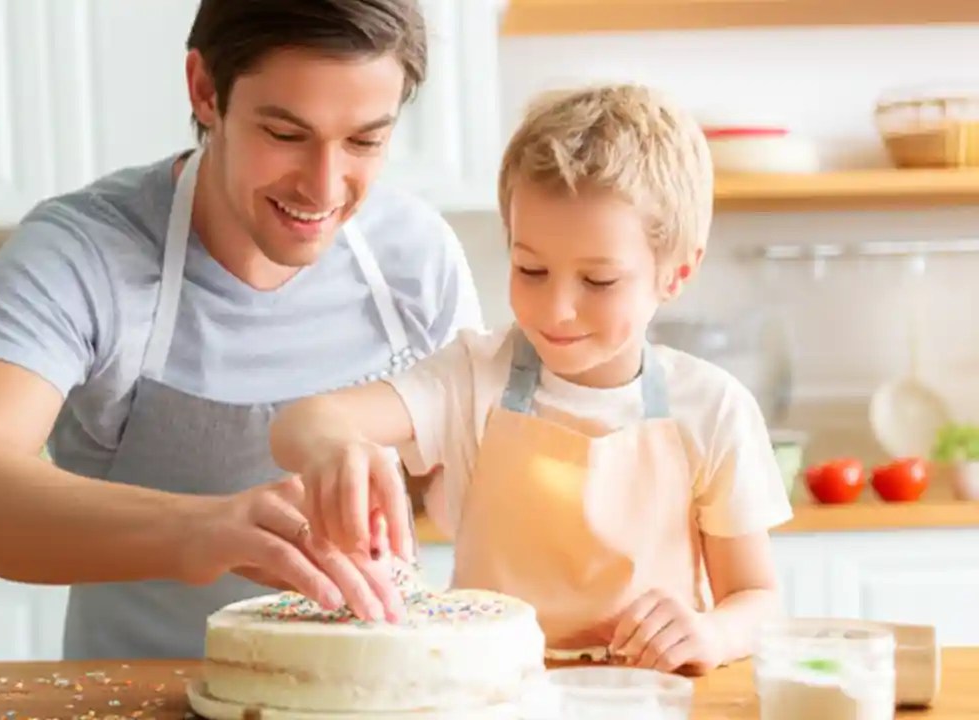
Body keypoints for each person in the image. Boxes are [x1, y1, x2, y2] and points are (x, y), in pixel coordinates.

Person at [0, 0, 483, 660]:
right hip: (141, 696)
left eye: (365, 141)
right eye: (285, 134)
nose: (325, 187)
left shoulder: (417, 256)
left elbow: (485, 486)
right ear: (205, 92)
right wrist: (202, 529)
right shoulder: (85, 252)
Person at [270, 84, 794, 675]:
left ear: (676, 273)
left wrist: (711, 634)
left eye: (598, 282)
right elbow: (303, 420)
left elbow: (756, 599)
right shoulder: (472, 377)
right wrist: (332, 447)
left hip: (647, 699)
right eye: (531, 269)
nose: (557, 309)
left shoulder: (713, 408)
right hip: (487, 694)